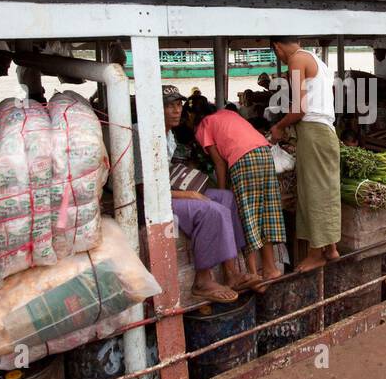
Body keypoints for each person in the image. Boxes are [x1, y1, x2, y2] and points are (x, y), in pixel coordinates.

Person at [136, 86, 260, 302]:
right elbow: (143, 190)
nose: (176, 111)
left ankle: (230, 273)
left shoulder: (169, 136)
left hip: (166, 192)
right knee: (210, 210)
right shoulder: (141, 135)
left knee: (226, 199)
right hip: (151, 202)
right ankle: (202, 281)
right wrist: (190, 195)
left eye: (177, 105)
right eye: (168, 106)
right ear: (154, 108)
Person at [191, 99, 287, 284]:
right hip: (264, 153)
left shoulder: (204, 125)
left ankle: (254, 274)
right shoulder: (228, 114)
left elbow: (219, 163)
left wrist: (221, 193)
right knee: (266, 211)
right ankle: (270, 268)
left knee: (247, 214)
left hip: (243, 159)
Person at [267, 37, 341, 270]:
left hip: (314, 131)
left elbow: (299, 108)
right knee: (325, 187)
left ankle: (315, 253)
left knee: (314, 191)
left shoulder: (297, 60)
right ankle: (330, 248)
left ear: (277, 47)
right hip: (324, 131)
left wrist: (279, 126)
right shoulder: (315, 59)